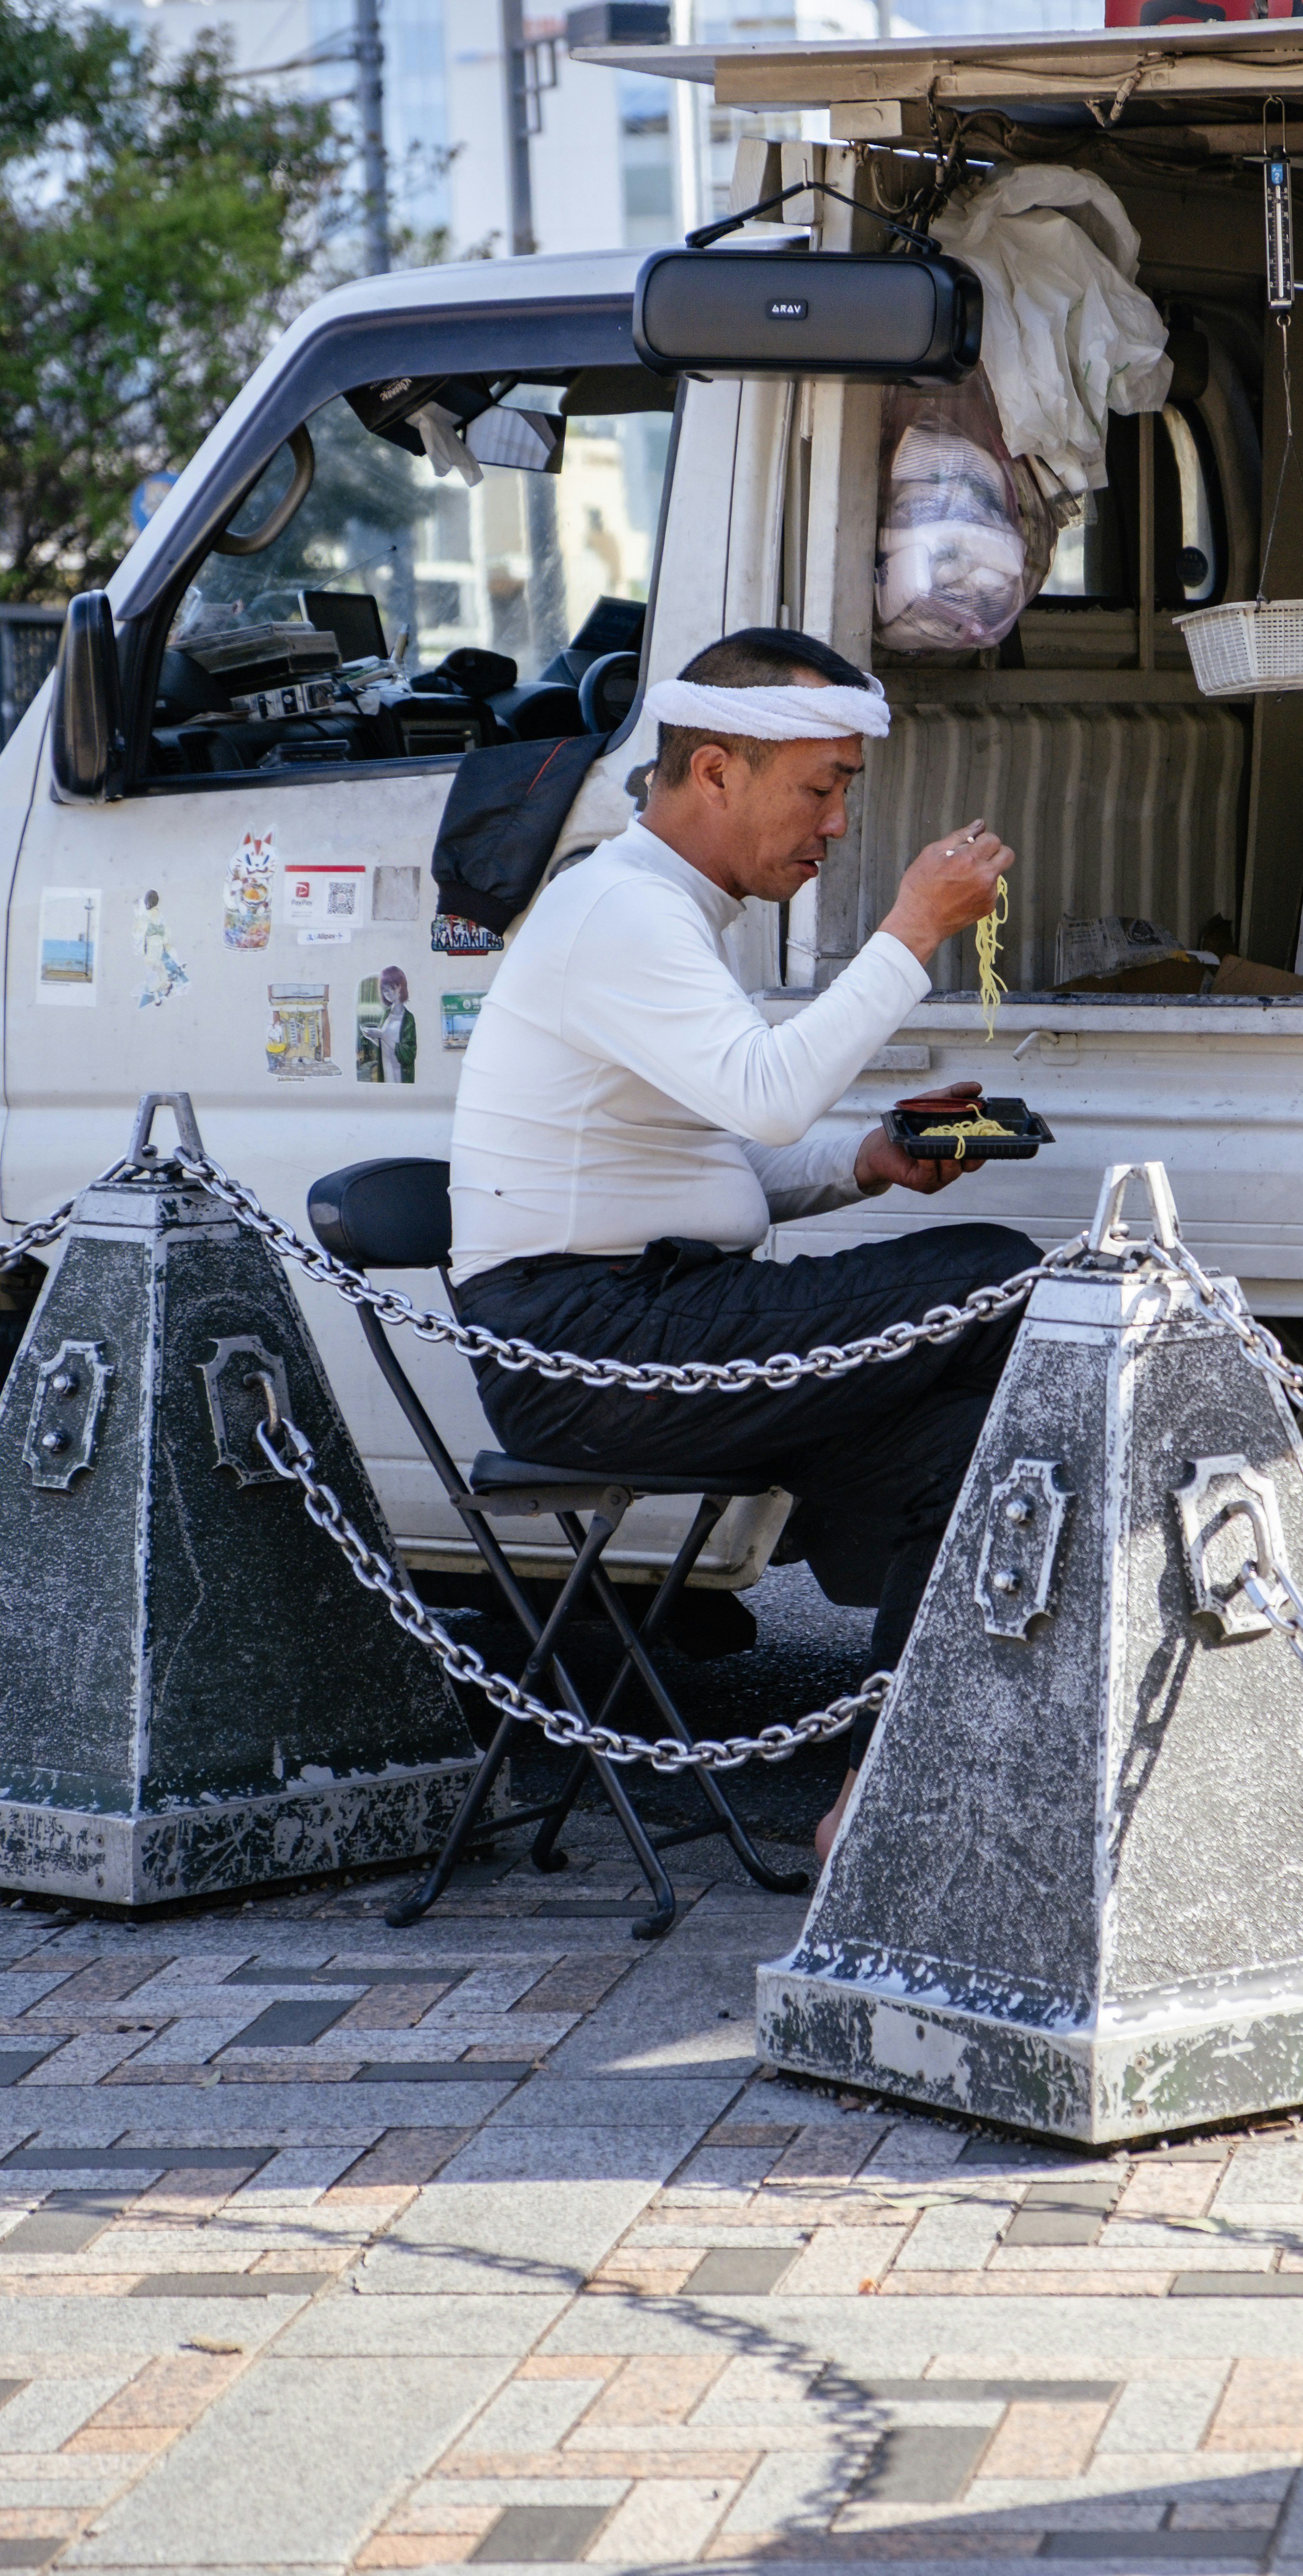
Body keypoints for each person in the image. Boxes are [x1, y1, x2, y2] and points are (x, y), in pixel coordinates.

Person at [447, 626, 1035, 1860]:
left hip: (654, 1319)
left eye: (842, 791)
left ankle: (878, 1793)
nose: (832, 821)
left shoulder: (656, 909)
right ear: (714, 771)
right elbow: (766, 1095)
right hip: (586, 1344)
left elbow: (720, 1165)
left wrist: (868, 1158)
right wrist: (912, 927)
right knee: (995, 1273)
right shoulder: (616, 907)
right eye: (818, 788)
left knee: (974, 1443)